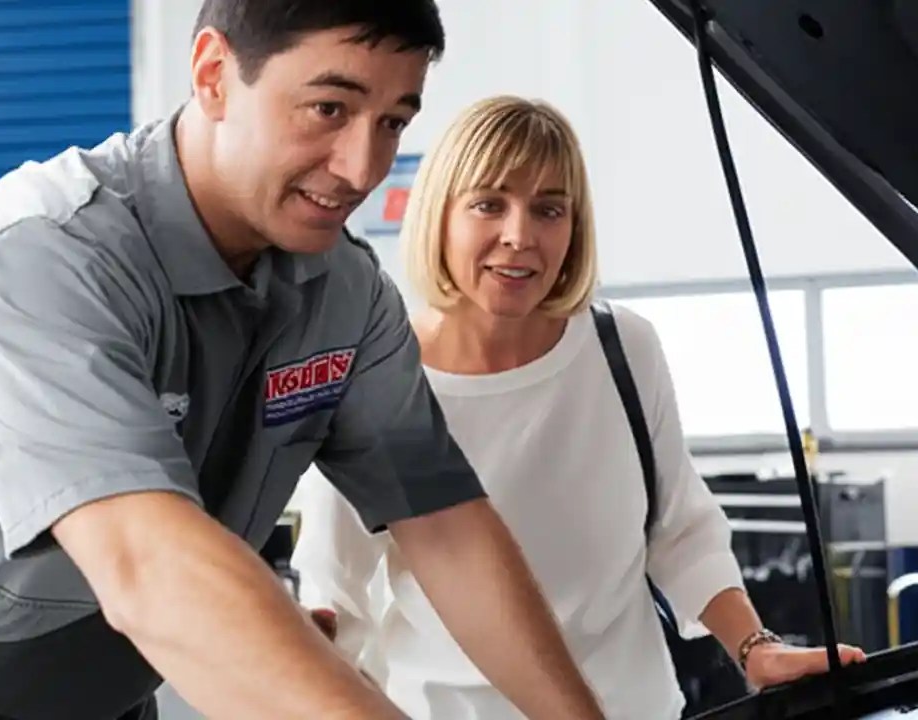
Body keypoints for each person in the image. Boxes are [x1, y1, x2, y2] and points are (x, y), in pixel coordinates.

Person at [0, 5, 610, 720]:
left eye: (394, 121)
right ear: (215, 74)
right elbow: (147, 566)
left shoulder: (346, 293)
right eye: (329, 108)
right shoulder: (43, 255)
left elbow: (446, 527)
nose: (362, 168)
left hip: (104, 693)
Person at [289, 95, 868, 719]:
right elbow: (335, 591)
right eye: (489, 203)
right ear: (440, 215)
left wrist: (755, 648)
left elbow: (681, 530)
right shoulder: (377, 376)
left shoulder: (624, 349)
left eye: (549, 209)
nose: (520, 235)